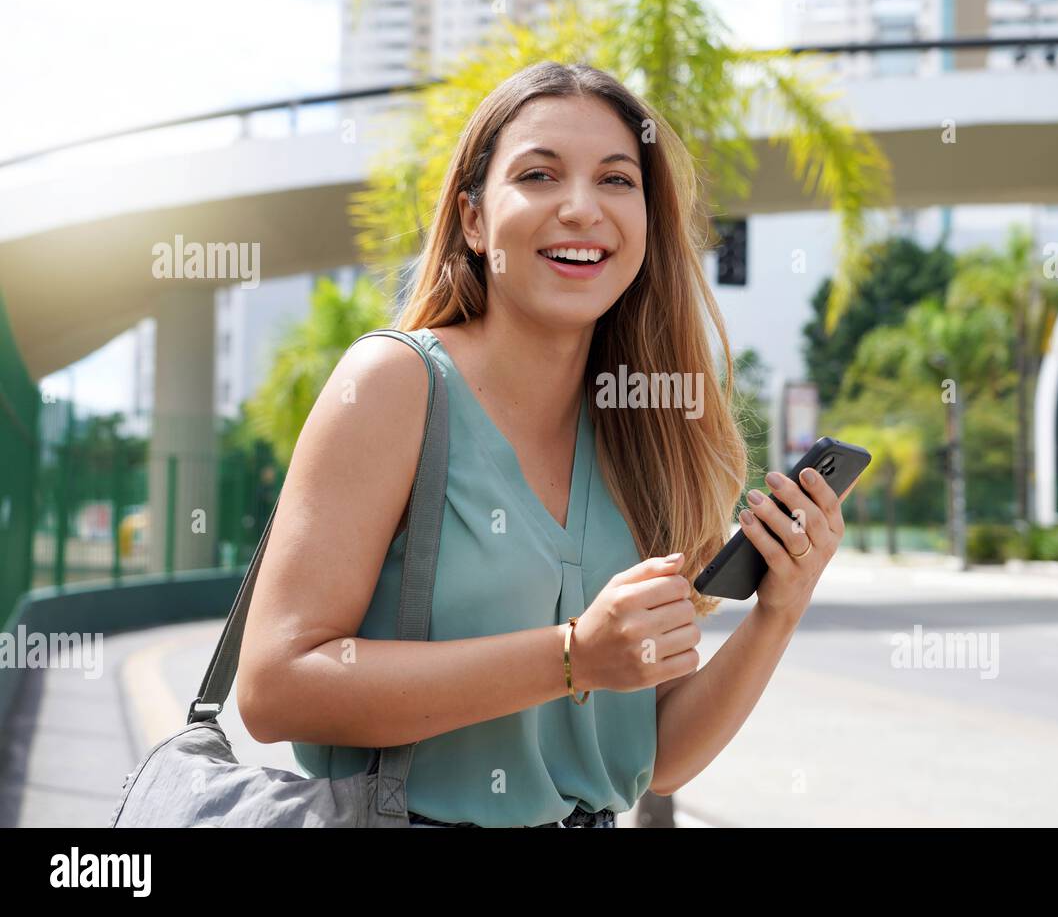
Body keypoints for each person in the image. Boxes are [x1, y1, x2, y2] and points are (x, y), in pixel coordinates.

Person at [237, 61, 854, 828]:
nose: (581, 208)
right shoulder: (396, 384)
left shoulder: (649, 431)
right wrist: (570, 657)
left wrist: (778, 613)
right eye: (538, 175)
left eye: (617, 181)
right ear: (473, 219)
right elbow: (274, 688)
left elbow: (651, 755)